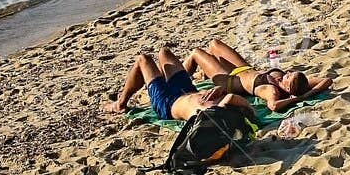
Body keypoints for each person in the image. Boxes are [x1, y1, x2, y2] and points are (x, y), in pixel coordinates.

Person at [103, 47, 254, 122]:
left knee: (143, 59)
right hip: (186, 89)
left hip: (167, 103)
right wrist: (220, 90)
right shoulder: (222, 104)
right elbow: (240, 102)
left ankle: (121, 103)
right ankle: (159, 79)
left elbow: (231, 100)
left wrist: (223, 96)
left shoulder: (208, 113)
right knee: (164, 52)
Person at [184, 39, 333, 114]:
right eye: (289, 73)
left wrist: (297, 99)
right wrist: (309, 93)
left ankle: (177, 83)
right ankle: (202, 74)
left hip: (228, 80)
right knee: (213, 44)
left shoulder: (272, 90)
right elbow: (327, 80)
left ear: (288, 88)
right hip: (243, 68)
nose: (286, 74)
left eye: (288, 77)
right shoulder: (297, 84)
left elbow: (273, 106)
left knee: (196, 53)